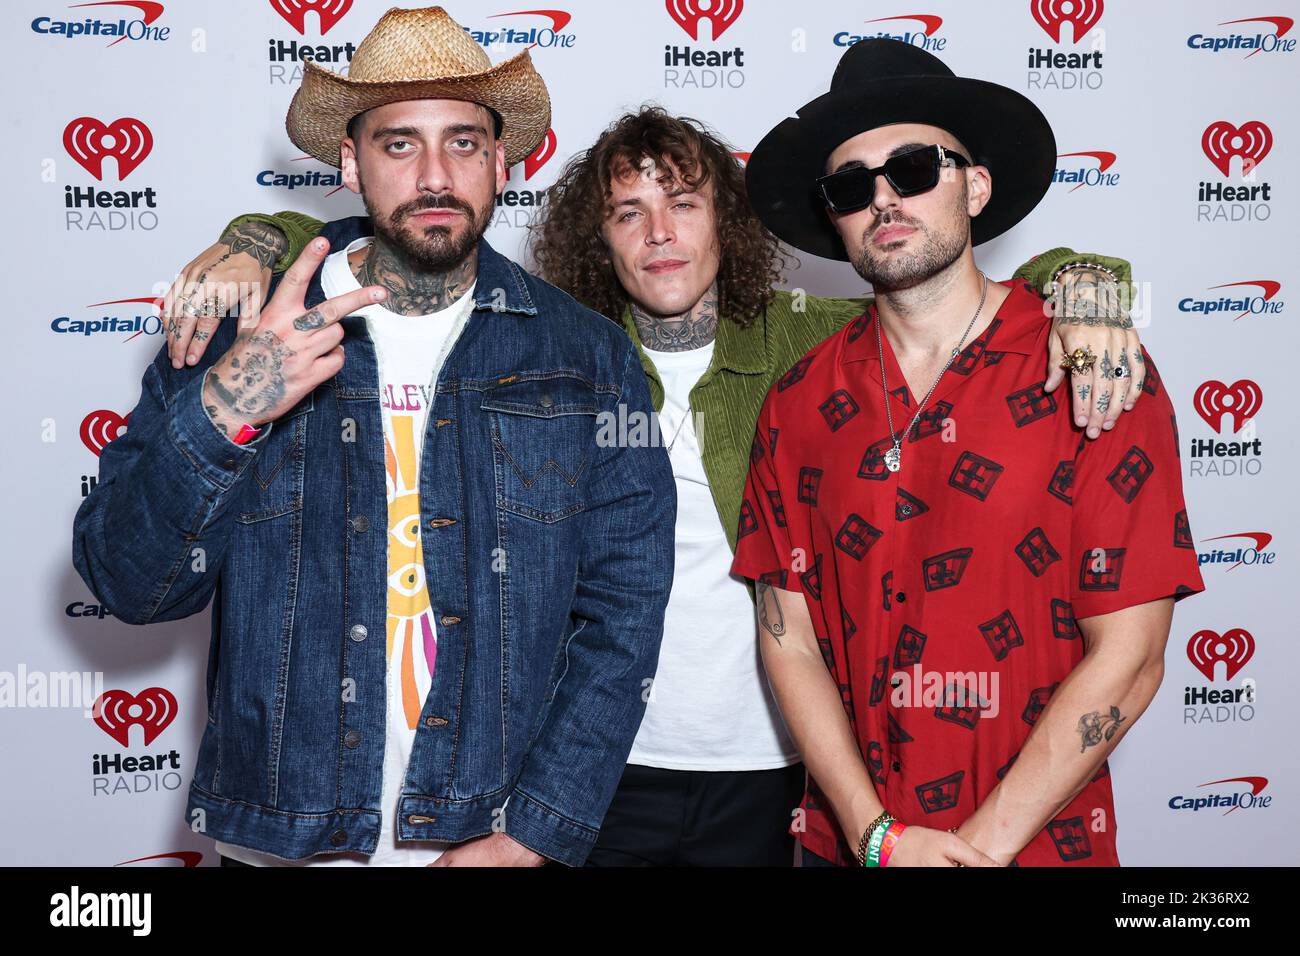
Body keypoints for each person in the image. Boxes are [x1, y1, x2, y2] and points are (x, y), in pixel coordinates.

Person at [158, 123, 1146, 865]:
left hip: (778, 774)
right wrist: (264, 233)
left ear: (731, 221)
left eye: (683, 202)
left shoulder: (810, 346)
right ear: (600, 239)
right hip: (593, 772)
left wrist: (1084, 277)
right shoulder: (559, 350)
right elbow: (385, 247)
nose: (659, 233)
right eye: (628, 211)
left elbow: (938, 284)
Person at [72, 5, 676, 868]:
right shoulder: (243, 327)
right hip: (285, 837)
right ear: (350, 161)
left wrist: (534, 832)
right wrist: (231, 405)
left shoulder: (583, 356)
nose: (436, 174)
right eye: (399, 144)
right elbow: (129, 583)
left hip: (487, 837)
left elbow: (623, 615)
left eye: (464, 142)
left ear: (502, 161)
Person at [730, 38, 1205, 867]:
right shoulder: (798, 398)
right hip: (848, 850)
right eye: (851, 185)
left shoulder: (1092, 370)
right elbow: (788, 639)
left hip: (1035, 849)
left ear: (975, 185)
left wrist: (972, 852)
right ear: (833, 218)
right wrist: (877, 838)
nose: (883, 199)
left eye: (914, 168)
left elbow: (1131, 657)